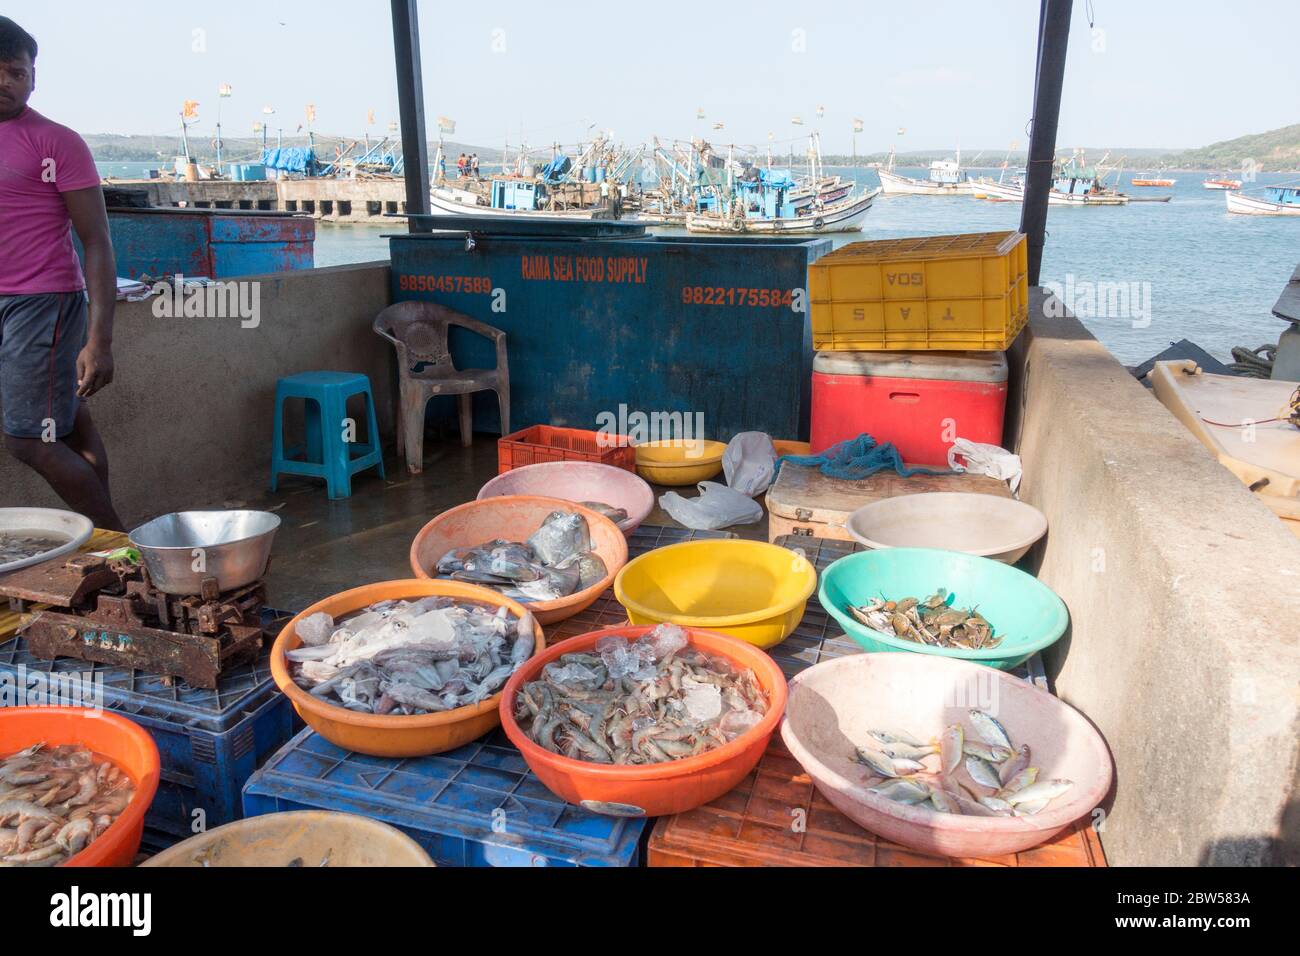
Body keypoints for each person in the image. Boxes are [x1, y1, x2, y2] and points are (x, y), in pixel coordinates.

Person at [0, 17, 123, 530]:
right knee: (67, 427)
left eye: (16, 72)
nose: (6, 82)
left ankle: (125, 548)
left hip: (41, 302)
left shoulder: (56, 142)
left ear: (33, 77)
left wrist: (100, 341)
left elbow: (95, 241)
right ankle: (121, 546)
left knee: (30, 439)